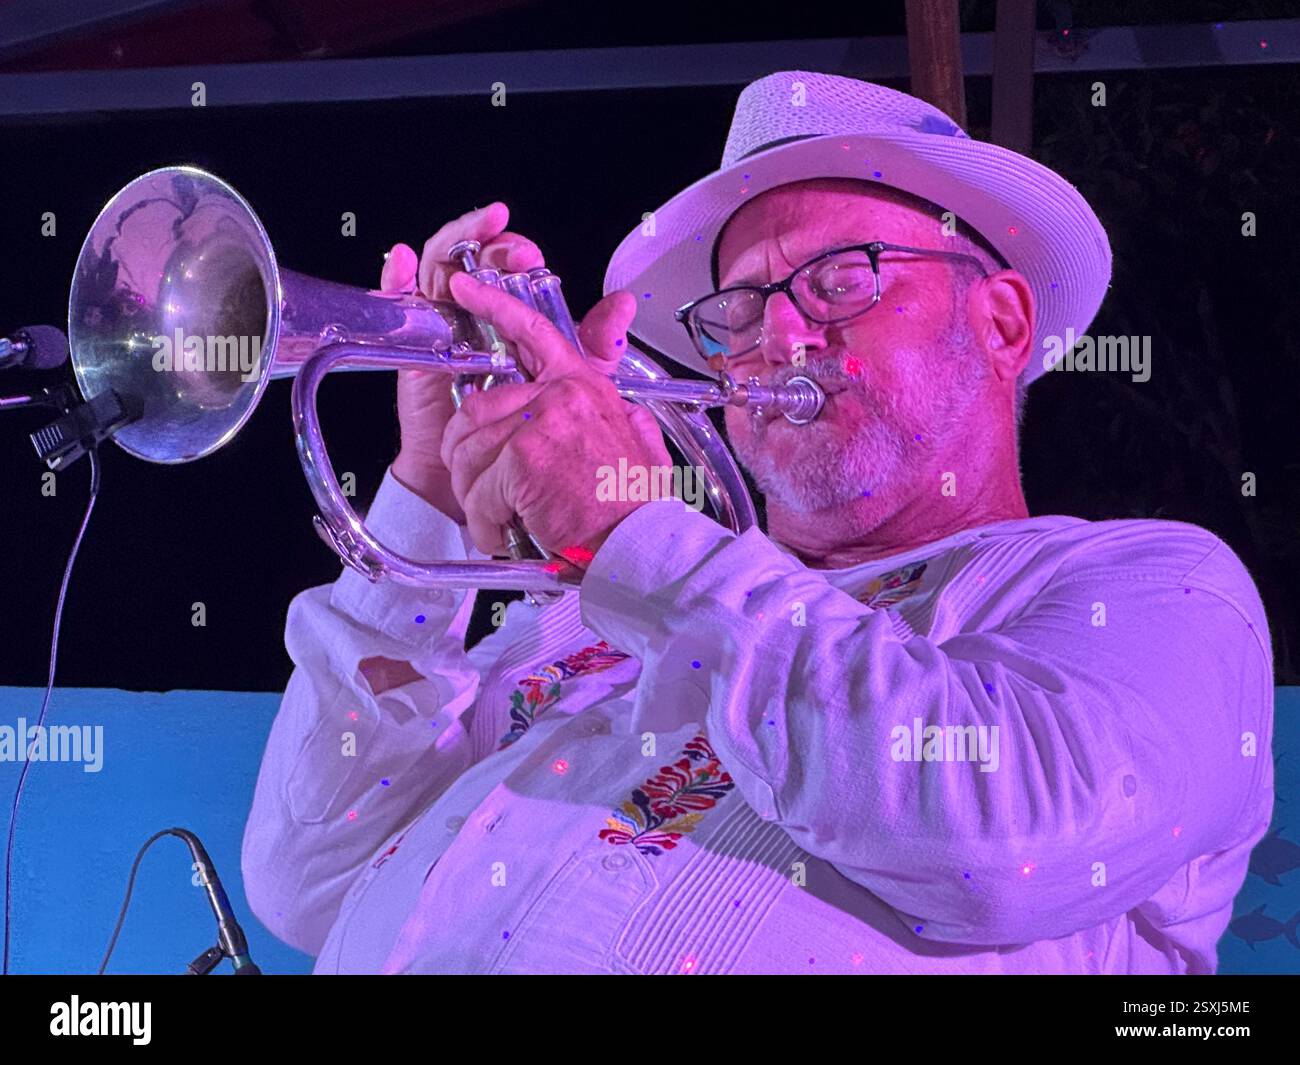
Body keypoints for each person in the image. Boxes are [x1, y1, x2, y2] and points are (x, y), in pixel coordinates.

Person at [241, 71, 1274, 974]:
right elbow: (306, 874)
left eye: (839, 279)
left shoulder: (1150, 581)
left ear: (1000, 322)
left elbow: (1017, 842)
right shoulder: (587, 620)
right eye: (734, 312)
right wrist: (424, 504)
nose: (775, 334)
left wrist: (630, 531)